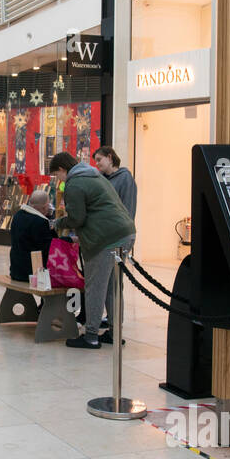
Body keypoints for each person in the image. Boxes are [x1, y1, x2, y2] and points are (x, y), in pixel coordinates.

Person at [48, 151, 135, 349]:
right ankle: (114, 333)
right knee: (113, 286)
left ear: (62, 170)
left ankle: (91, 335)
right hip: (125, 234)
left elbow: (77, 218)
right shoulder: (94, 175)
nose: (58, 180)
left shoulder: (75, 183)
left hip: (106, 240)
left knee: (96, 287)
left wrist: (59, 222)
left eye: (56, 175)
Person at [92, 146, 137, 343]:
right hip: (106, 238)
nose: (97, 164)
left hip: (118, 238)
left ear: (110, 158)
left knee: (114, 284)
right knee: (109, 284)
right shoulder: (103, 179)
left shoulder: (125, 179)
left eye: (100, 160)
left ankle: (115, 326)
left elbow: (128, 208)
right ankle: (111, 322)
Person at [10, 188, 55, 284]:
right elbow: (49, 248)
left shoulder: (18, 215)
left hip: (15, 270)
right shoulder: (40, 221)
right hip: (31, 273)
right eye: (48, 206)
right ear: (44, 208)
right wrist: (69, 239)